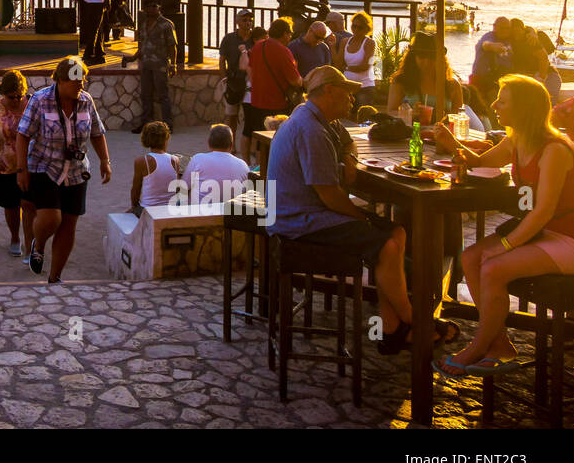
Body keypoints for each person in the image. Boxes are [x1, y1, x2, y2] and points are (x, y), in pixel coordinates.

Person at [267, 65, 423, 353]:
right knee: (387, 245)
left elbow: (348, 142)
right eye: (347, 94)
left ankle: (391, 329)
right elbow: (329, 195)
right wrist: (361, 218)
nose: (352, 100)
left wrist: (349, 158)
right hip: (299, 222)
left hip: (304, 214)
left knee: (396, 233)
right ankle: (414, 321)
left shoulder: (318, 117)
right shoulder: (311, 128)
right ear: (329, 91)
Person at [434, 75, 574, 375]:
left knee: (493, 266)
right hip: (542, 232)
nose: (495, 104)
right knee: (470, 258)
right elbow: (481, 163)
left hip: (568, 239)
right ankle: (498, 344)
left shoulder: (554, 150)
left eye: (503, 99)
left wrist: (506, 246)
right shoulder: (517, 139)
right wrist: (453, 143)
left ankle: (477, 347)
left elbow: (542, 211)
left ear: (524, 108)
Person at [15, 56, 112, 283]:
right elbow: (22, 135)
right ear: (60, 79)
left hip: (77, 171)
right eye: (76, 80)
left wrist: (105, 161)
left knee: (69, 224)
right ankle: (38, 246)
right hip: (44, 167)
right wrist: (21, 170)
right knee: (51, 219)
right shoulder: (40, 100)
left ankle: (55, 277)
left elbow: (97, 133)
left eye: (83, 80)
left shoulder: (86, 101)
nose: (81, 84)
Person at [0, 69, 34, 259]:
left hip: (30, 164)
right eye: (11, 97)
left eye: (19, 96)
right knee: (11, 205)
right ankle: (14, 237)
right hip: (5, 165)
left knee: (29, 205)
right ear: (3, 94)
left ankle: (31, 244)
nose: (15, 100)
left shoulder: (31, 105)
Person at [245, 18, 302, 146]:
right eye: (290, 33)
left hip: (257, 101)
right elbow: (295, 81)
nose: (290, 37)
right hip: (277, 104)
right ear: (284, 34)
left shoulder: (258, 46)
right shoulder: (284, 51)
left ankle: (261, 165)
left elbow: (251, 69)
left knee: (261, 142)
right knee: (278, 142)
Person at [386, 31, 464, 118]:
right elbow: (391, 111)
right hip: (409, 130)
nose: (427, 62)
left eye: (432, 57)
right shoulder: (400, 82)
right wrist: (410, 114)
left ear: (440, 59)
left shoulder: (452, 85)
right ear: (413, 57)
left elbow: (459, 116)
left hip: (441, 131)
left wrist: (446, 117)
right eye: (422, 56)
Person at [181, 123, 250, 205]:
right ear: (231, 145)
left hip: (200, 215)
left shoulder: (198, 159)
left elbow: (183, 187)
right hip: (229, 215)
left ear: (209, 143)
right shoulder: (243, 166)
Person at [135, 0, 177, 132]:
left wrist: (173, 64)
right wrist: (134, 57)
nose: (151, 9)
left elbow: (172, 46)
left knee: (163, 95)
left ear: (159, 7)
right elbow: (141, 43)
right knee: (146, 94)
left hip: (160, 65)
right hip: (146, 64)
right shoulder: (143, 24)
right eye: (148, 6)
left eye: (154, 6)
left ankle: (168, 125)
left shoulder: (166, 25)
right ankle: (146, 124)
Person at [130, 120, 182, 213]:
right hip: (170, 209)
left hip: (149, 210)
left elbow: (136, 189)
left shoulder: (142, 161)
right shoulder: (175, 160)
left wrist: (134, 207)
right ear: (166, 139)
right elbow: (177, 189)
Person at [219, 8, 254, 137]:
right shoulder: (229, 39)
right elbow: (222, 61)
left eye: (250, 20)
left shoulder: (255, 39)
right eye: (245, 20)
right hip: (233, 81)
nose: (248, 23)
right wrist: (224, 79)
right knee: (231, 115)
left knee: (250, 116)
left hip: (250, 81)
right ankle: (230, 144)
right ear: (237, 22)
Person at [239, 25, 268, 162]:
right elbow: (244, 67)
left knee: (256, 128)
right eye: (264, 38)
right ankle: (249, 161)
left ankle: (255, 161)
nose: (266, 40)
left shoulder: (261, 51)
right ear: (256, 39)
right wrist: (244, 51)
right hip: (251, 96)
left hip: (257, 96)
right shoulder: (251, 52)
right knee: (250, 129)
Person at [471, 16, 513, 102]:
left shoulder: (509, 39)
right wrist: (493, 46)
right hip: (483, 81)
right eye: (502, 28)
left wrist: (531, 32)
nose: (505, 31)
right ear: (495, 27)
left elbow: (524, 29)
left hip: (502, 81)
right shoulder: (489, 36)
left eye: (507, 28)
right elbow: (485, 44)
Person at [340, 12, 376, 108]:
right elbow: (338, 63)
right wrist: (331, 46)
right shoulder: (345, 42)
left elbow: (365, 66)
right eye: (354, 26)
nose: (356, 29)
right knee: (346, 117)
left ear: (366, 29)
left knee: (363, 117)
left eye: (360, 27)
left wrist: (347, 68)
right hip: (348, 86)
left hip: (364, 86)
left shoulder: (370, 43)